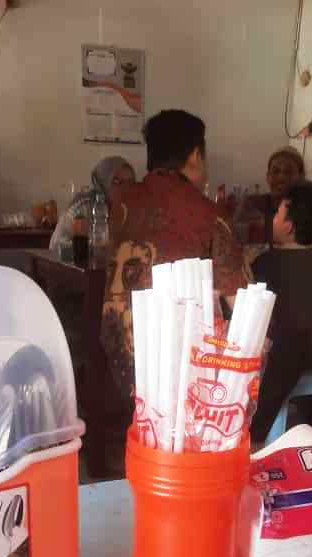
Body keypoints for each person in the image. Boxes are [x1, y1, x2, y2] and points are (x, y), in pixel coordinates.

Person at [102, 109, 248, 401]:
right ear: (195, 156)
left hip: (119, 351)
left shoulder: (122, 204)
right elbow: (242, 300)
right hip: (172, 364)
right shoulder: (207, 213)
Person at [250, 180, 312, 445]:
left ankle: (253, 435)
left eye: (277, 214)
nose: (273, 219)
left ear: (288, 226)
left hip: (283, 355)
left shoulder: (268, 262)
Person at [50, 157, 136, 251]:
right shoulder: (83, 208)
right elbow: (58, 247)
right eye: (116, 182)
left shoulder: (134, 208)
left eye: (130, 182)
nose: (125, 188)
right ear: (102, 184)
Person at [235, 146, 305, 245]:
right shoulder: (251, 203)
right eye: (275, 171)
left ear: (301, 177)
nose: (281, 177)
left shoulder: (308, 209)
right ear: (268, 177)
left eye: (289, 172)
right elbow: (234, 235)